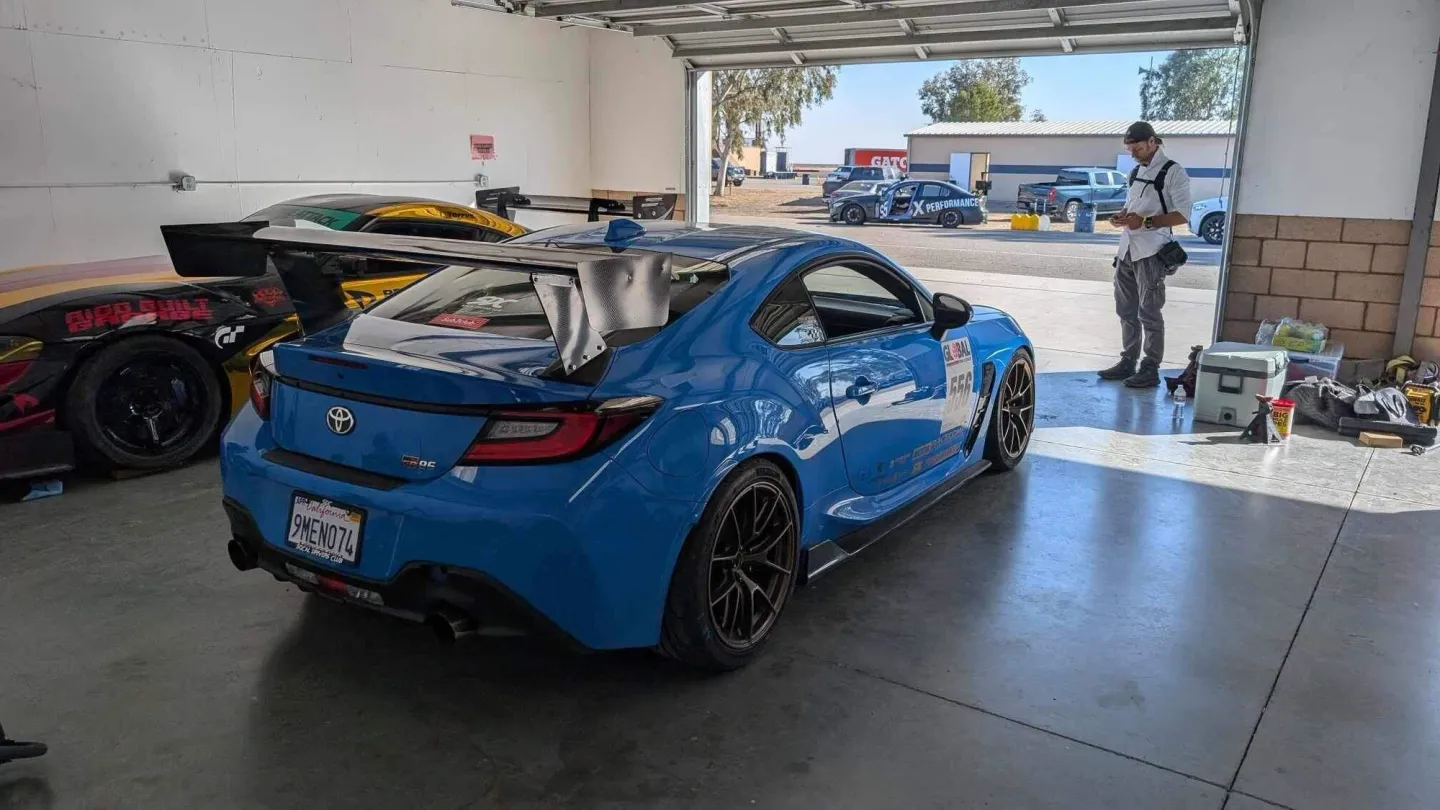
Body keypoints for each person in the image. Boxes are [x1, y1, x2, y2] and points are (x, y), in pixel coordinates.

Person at [1099, 121, 1193, 389]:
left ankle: (1150, 368)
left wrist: (1147, 222)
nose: (1133, 154)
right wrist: (1123, 216)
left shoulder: (1173, 172)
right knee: (1125, 309)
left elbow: (1183, 215)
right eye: (1130, 149)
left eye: (1137, 148)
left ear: (1153, 142)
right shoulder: (1135, 172)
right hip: (1128, 249)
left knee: (1149, 312)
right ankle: (1128, 361)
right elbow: (1133, 207)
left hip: (1152, 251)